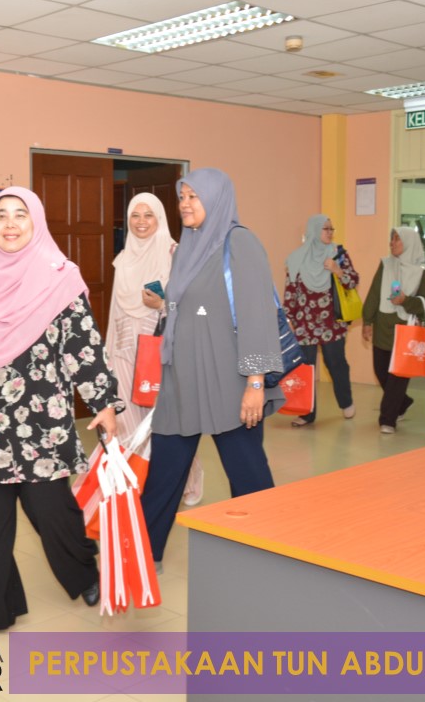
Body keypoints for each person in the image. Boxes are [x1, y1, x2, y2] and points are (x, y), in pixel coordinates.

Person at [0, 186, 121, 641]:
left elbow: (83, 347)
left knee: (53, 515)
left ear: (36, 222)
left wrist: (102, 402)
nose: (11, 224)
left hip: (42, 422)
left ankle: (84, 574)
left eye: (21, 214)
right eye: (2, 215)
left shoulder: (61, 277)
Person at [141, 168, 284, 571]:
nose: (184, 204)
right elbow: (186, 307)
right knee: (164, 473)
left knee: (249, 476)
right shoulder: (188, 246)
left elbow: (256, 314)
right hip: (182, 380)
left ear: (216, 199)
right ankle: (144, 556)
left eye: (194, 196)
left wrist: (255, 382)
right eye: (182, 196)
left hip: (230, 381)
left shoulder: (240, 242)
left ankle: (271, 554)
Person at [106, 193, 205, 506]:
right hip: (124, 347)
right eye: (135, 215)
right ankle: (135, 483)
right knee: (127, 421)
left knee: (162, 423)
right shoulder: (123, 258)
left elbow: (197, 307)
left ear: (160, 218)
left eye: (148, 215)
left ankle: (188, 477)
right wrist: (108, 353)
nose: (141, 222)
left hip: (160, 348)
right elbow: (115, 310)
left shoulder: (176, 253)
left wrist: (162, 305)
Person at [283, 214, 360, 426]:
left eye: (331, 228)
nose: (330, 232)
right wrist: (288, 318)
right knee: (305, 369)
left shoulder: (338, 254)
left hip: (331, 323)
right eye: (326, 228)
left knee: (336, 364)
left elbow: (353, 281)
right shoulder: (297, 258)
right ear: (314, 230)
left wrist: (338, 271)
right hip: (304, 323)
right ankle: (306, 412)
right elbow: (290, 291)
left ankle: (346, 402)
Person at [362, 226, 425, 434]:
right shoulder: (385, 264)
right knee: (380, 371)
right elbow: (374, 294)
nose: (391, 243)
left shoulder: (421, 272)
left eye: (396, 239)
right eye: (391, 239)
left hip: (406, 331)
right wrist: (367, 321)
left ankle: (388, 419)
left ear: (409, 243)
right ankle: (403, 402)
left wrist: (405, 301)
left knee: (397, 377)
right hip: (383, 327)